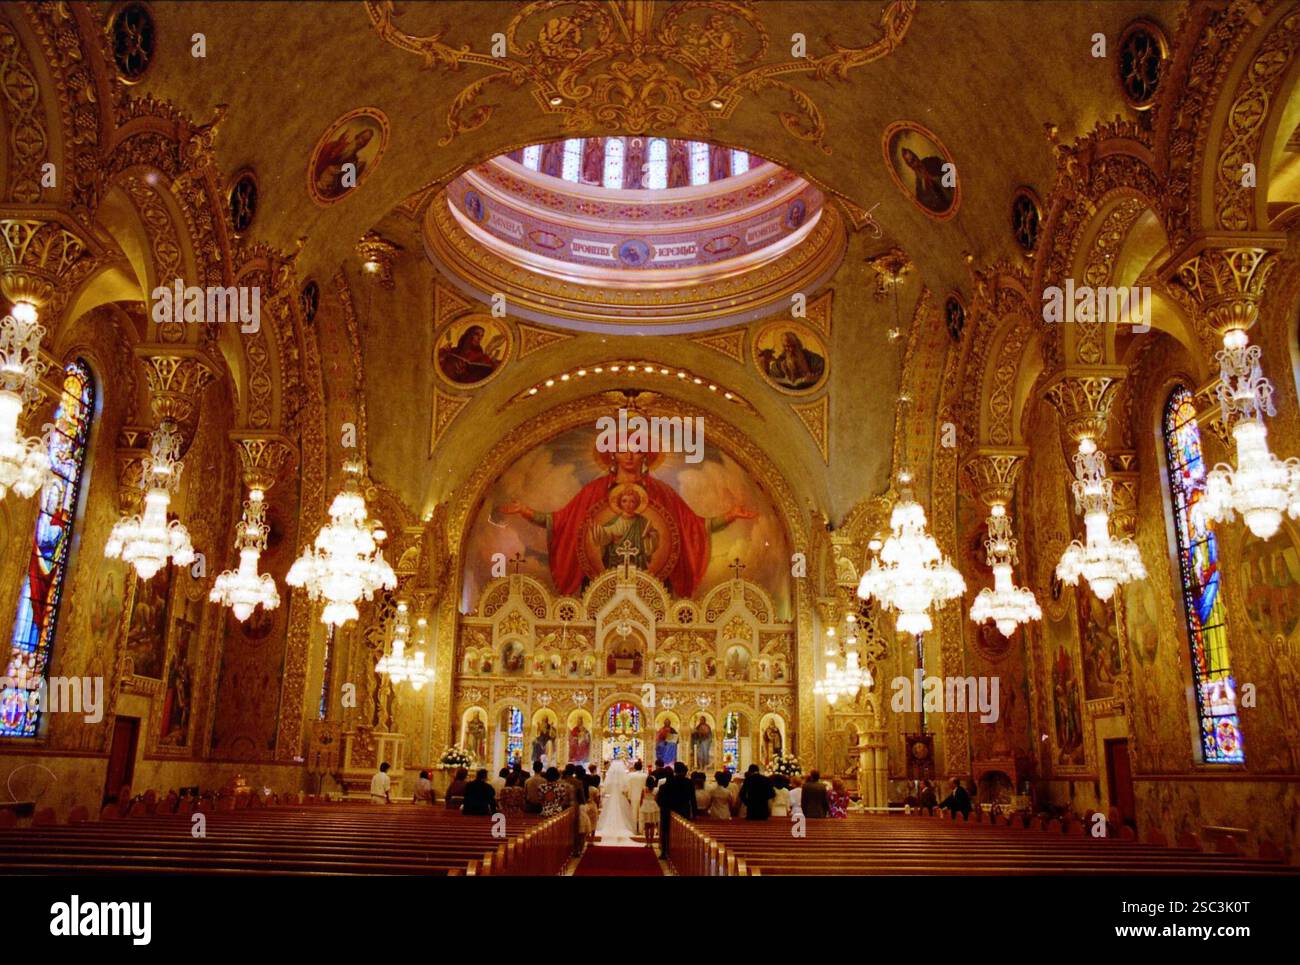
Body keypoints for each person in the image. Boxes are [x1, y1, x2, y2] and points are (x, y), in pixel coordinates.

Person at [657, 761, 697, 859]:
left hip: (668, 810)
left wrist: (663, 807)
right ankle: (682, 853)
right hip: (683, 810)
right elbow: (693, 799)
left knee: (666, 832)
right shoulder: (689, 783)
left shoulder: (669, 782)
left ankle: (665, 852)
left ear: (675, 771)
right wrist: (694, 813)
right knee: (683, 833)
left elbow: (660, 799)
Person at [594, 758, 639, 845]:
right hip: (620, 797)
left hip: (612, 797)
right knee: (622, 812)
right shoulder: (623, 779)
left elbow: (606, 788)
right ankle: (622, 826)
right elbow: (626, 788)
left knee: (611, 811)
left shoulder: (611, 779)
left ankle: (609, 826)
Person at [638, 776, 660, 845]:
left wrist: (641, 807)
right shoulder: (656, 789)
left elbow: (641, 799)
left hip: (645, 807)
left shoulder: (644, 789)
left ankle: (647, 842)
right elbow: (656, 799)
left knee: (646, 826)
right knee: (652, 825)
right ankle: (651, 842)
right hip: (653, 806)